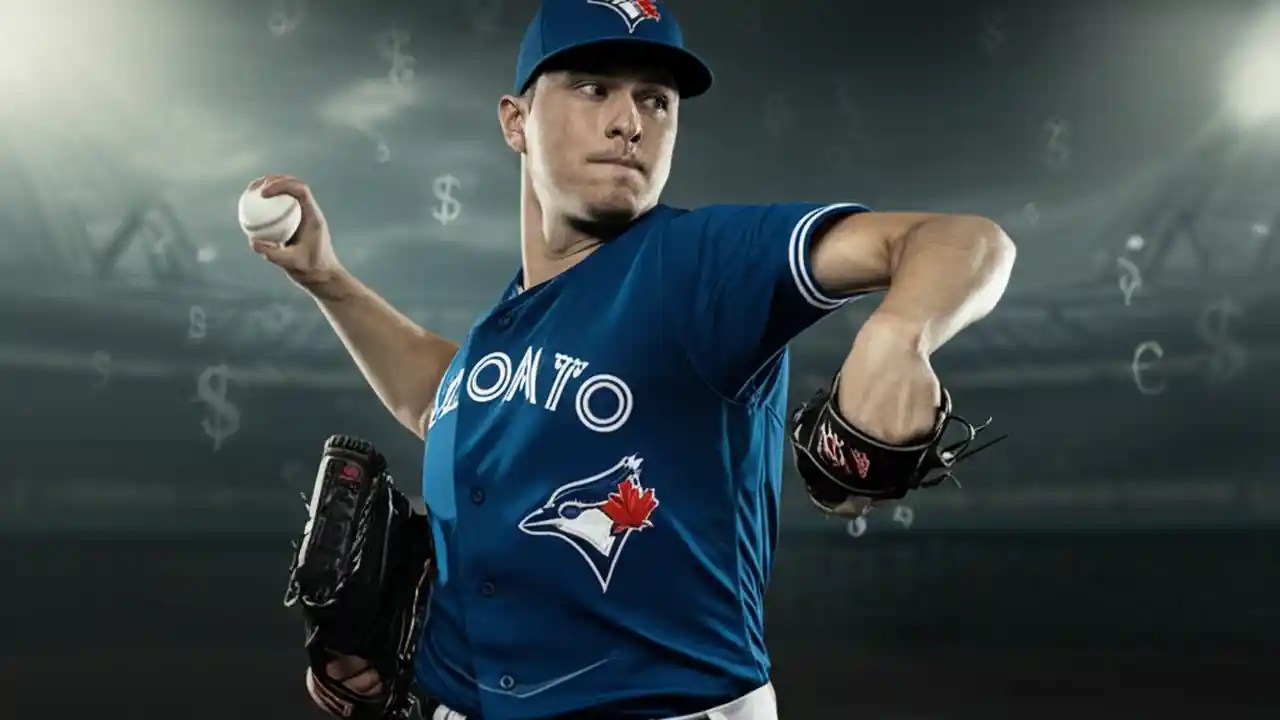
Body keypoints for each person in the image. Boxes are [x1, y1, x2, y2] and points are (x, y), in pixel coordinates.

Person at [249, 1, 1016, 718]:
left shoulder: (701, 266)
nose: (629, 123)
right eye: (593, 88)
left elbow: (962, 240)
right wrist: (328, 281)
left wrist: (897, 335)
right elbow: (442, 396)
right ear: (515, 121)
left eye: (656, 100)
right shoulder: (505, 327)